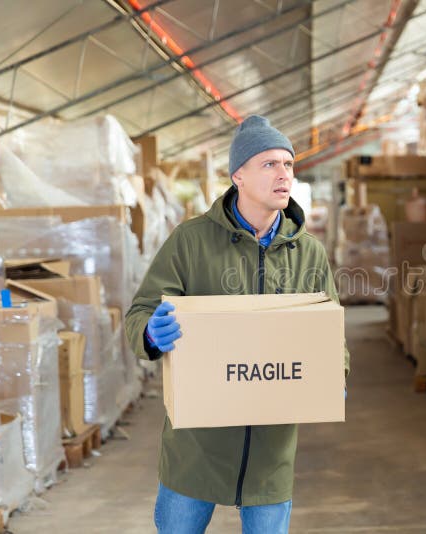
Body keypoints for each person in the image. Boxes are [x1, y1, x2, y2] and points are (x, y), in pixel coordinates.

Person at [125, 115, 349, 533]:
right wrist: (150, 333)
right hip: (197, 447)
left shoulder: (309, 253)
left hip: (271, 451)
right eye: (269, 164)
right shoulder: (191, 242)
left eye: (288, 164)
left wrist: (335, 371)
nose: (284, 174)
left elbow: (328, 331)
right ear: (238, 176)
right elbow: (140, 312)